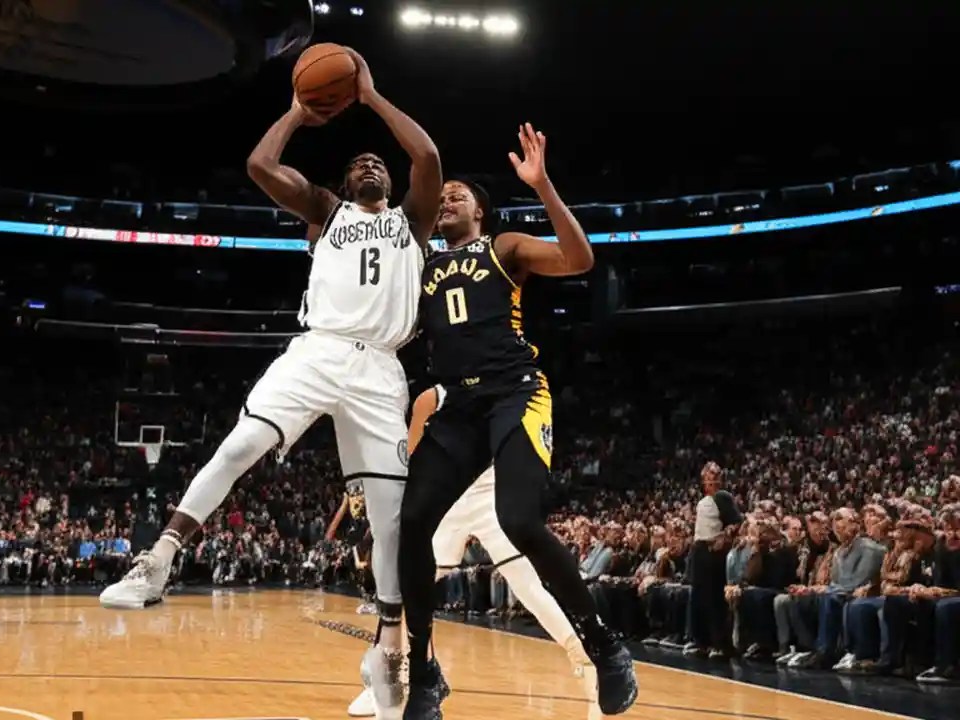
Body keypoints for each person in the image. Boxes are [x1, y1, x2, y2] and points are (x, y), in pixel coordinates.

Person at [98, 48, 442, 720]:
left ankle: (387, 658)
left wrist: (370, 98)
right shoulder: (325, 212)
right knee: (238, 445)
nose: (373, 164)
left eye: (378, 164)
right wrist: (294, 112)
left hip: (379, 370)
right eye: (359, 163)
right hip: (315, 352)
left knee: (393, 524)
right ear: (341, 186)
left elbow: (426, 158)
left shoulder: (413, 222)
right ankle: (158, 562)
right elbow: (259, 167)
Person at [397, 124, 637, 719]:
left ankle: (603, 646)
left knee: (519, 520)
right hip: (457, 404)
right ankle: (424, 673)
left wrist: (543, 185)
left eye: (460, 193)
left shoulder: (502, 247)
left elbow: (579, 259)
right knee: (412, 527)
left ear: (481, 210)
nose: (448, 196)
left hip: (515, 393)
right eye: (442, 192)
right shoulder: (418, 261)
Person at [348, 385, 603, 720]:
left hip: (488, 494)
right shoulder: (433, 396)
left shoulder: (506, 386)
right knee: (407, 588)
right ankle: (390, 681)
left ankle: (589, 662)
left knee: (529, 587)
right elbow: (409, 455)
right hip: (450, 499)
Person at [686, 461, 743, 658]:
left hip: (713, 552)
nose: (711, 480)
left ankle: (720, 643)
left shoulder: (722, 497)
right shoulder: (703, 500)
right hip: (699, 549)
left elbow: (736, 522)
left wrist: (724, 537)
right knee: (699, 597)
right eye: (708, 476)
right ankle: (701, 642)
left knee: (713, 599)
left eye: (715, 476)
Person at [326, 481, 377, 615]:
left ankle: (377, 599)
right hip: (362, 541)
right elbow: (330, 537)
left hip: (375, 538)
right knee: (360, 566)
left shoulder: (372, 515)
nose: (357, 501)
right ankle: (370, 599)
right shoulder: (354, 526)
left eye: (359, 496)